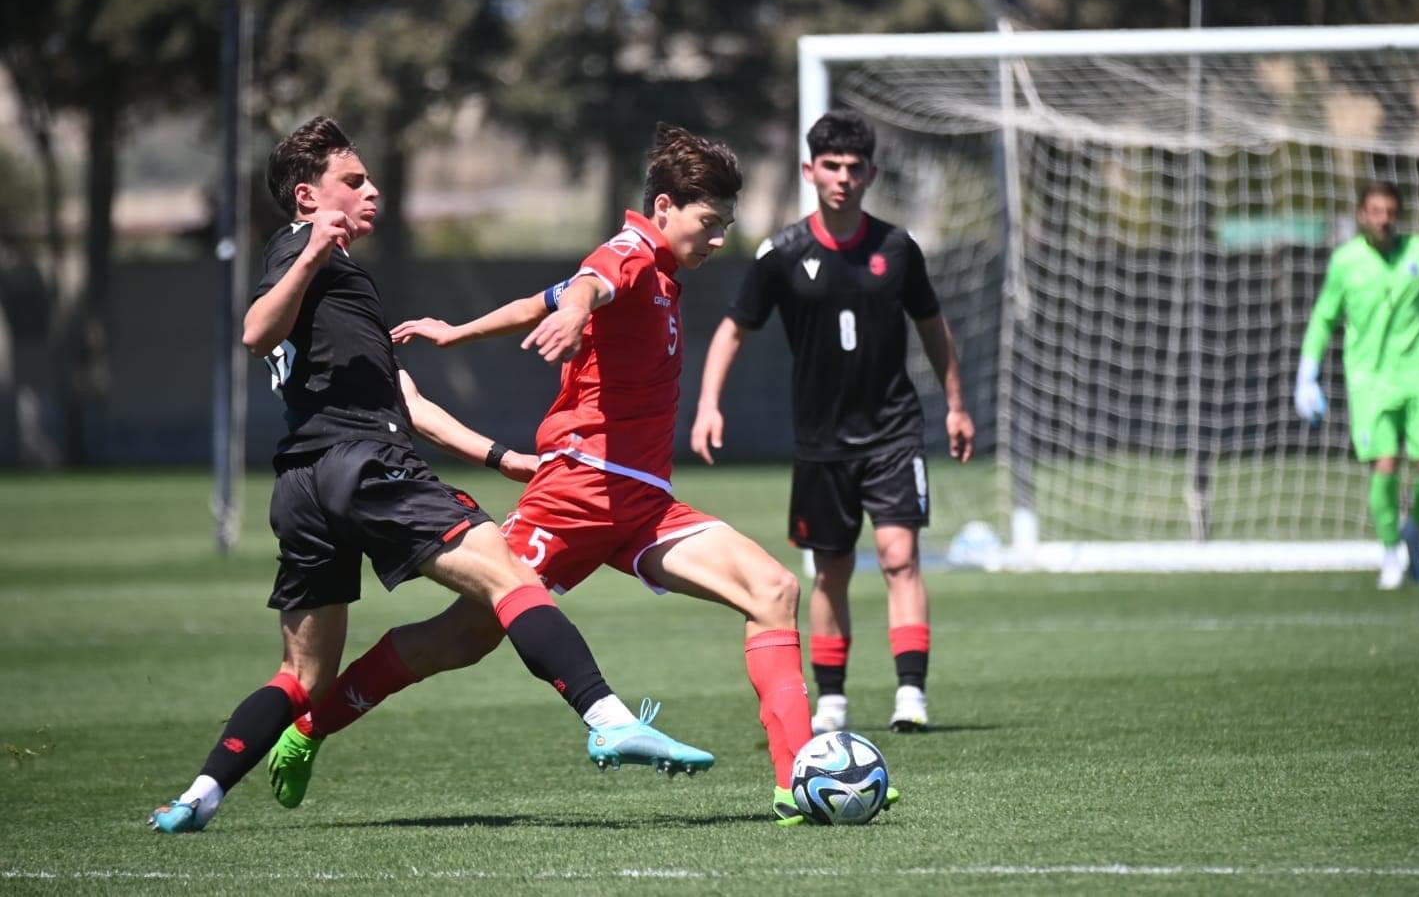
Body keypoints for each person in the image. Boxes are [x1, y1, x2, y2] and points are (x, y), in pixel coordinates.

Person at [265, 123, 894, 826]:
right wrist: (572, 314)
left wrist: (458, 332)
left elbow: (544, 298)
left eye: (725, 225)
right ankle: (311, 727)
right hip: (577, 491)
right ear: (663, 208)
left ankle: (795, 781)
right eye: (709, 223)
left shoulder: (661, 271)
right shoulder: (630, 251)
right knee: (462, 637)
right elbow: (587, 286)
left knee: (773, 589)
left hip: (645, 502)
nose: (718, 239)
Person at [148, 117, 710, 834]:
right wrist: (313, 249)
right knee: (512, 577)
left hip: (304, 485)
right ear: (306, 197)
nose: (372, 192)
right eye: (353, 182)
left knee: (303, 677)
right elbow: (256, 331)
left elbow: (408, 402)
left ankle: (199, 796)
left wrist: (502, 458)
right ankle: (608, 718)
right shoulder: (301, 253)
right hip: (364, 464)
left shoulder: (338, 286)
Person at [690, 110, 974, 735]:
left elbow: (933, 328)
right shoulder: (783, 253)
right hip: (822, 442)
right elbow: (733, 329)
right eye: (832, 166)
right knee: (832, 570)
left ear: (870, 174)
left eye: (854, 167)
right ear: (809, 170)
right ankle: (834, 701)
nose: (843, 177)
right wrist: (709, 403)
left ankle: (911, 695)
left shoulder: (897, 248)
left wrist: (955, 405)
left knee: (900, 556)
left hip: (893, 431)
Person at [1294, 179, 1419, 590]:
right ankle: (1390, 551)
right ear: (1361, 215)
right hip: (1369, 381)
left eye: (1390, 212)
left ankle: (1413, 530)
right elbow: (1323, 318)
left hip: (1418, 375)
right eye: (1375, 211)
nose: (1383, 219)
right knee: (1384, 465)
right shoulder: (1345, 262)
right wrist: (1307, 373)